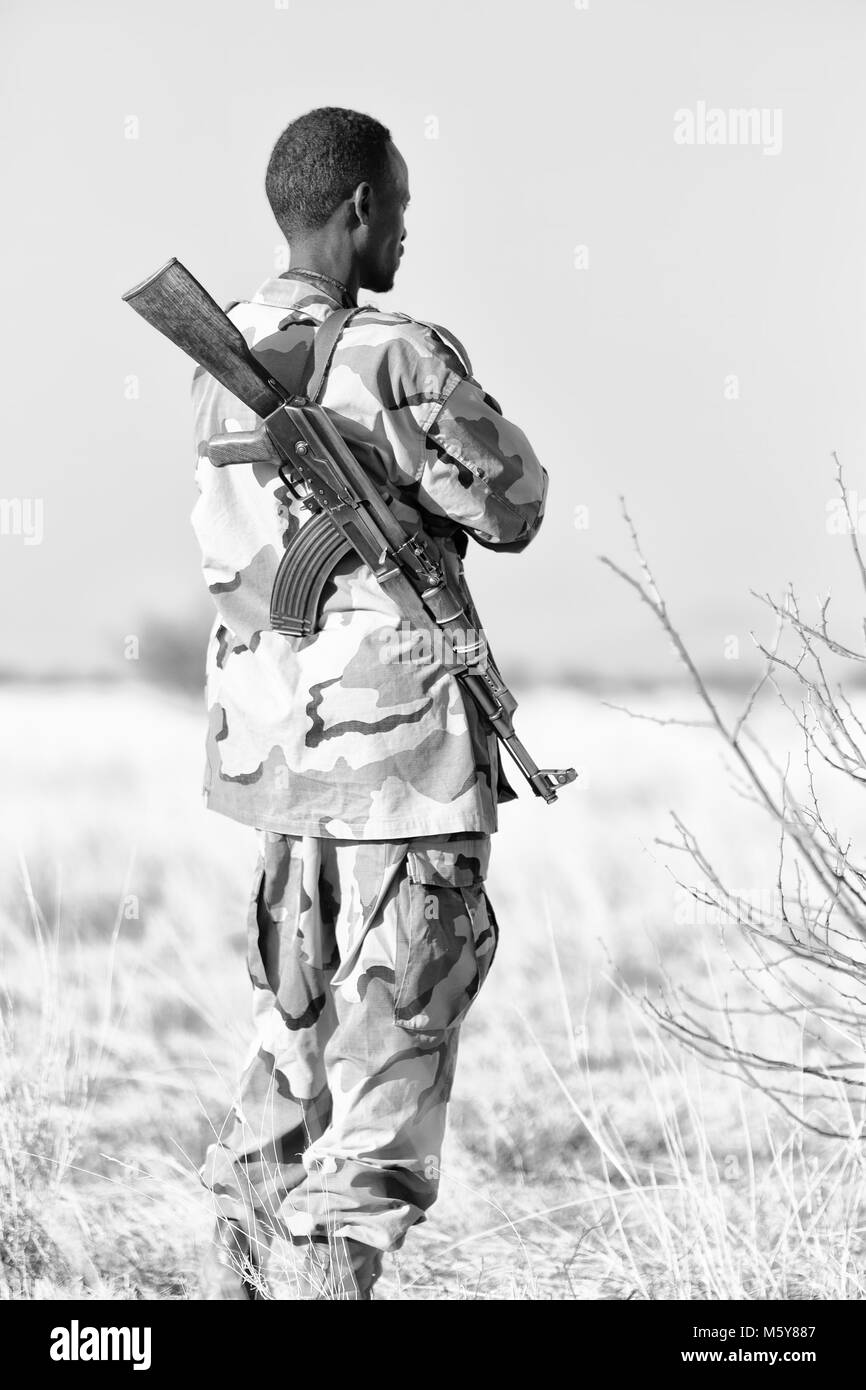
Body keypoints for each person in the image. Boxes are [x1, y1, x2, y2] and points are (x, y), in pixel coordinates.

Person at [190, 106, 548, 1300]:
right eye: (395, 204)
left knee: (289, 1027)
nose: (402, 227)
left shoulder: (222, 349)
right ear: (356, 208)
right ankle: (331, 1279)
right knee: (397, 1037)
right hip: (399, 764)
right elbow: (512, 504)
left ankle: (237, 1266)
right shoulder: (396, 355)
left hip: (278, 756)